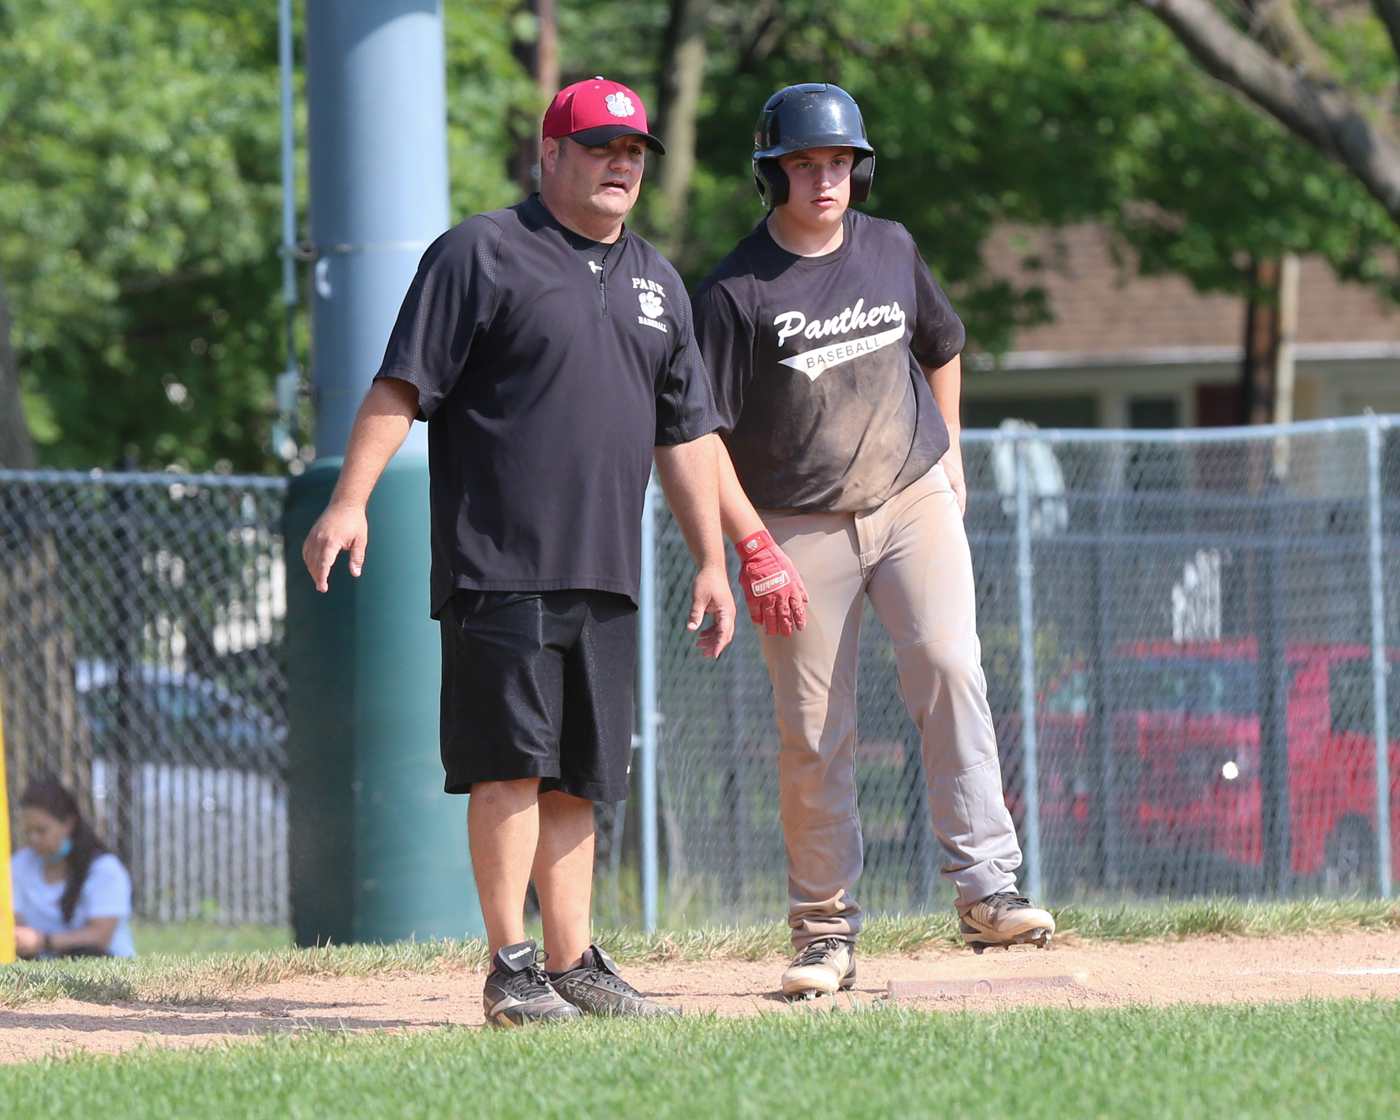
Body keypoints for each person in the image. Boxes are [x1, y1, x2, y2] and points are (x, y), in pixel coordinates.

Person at [302, 77, 735, 1026]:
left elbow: (689, 435)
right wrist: (349, 501)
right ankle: (511, 965)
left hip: (607, 571)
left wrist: (714, 557)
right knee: (511, 768)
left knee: (582, 776)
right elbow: (401, 384)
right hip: (501, 560)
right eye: (599, 147)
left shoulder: (660, 284)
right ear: (551, 154)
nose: (620, 164)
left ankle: (575, 963)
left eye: (633, 152)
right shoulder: (482, 253)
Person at [692, 83, 1055, 1001]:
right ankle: (824, 934)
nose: (826, 179)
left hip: (909, 497)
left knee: (950, 666)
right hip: (797, 522)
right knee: (815, 733)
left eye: (841, 162)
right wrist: (752, 548)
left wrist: (954, 454)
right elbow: (701, 437)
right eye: (807, 163)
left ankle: (987, 890)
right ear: (772, 172)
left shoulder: (889, 246)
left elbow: (942, 344)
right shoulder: (737, 290)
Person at [11, 779, 135, 959]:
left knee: (86, 953)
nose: (33, 839)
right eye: (28, 831)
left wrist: (43, 941)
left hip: (98, 959)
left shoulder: (104, 870)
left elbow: (100, 936)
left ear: (68, 823)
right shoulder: (20, 865)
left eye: (41, 830)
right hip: (42, 963)